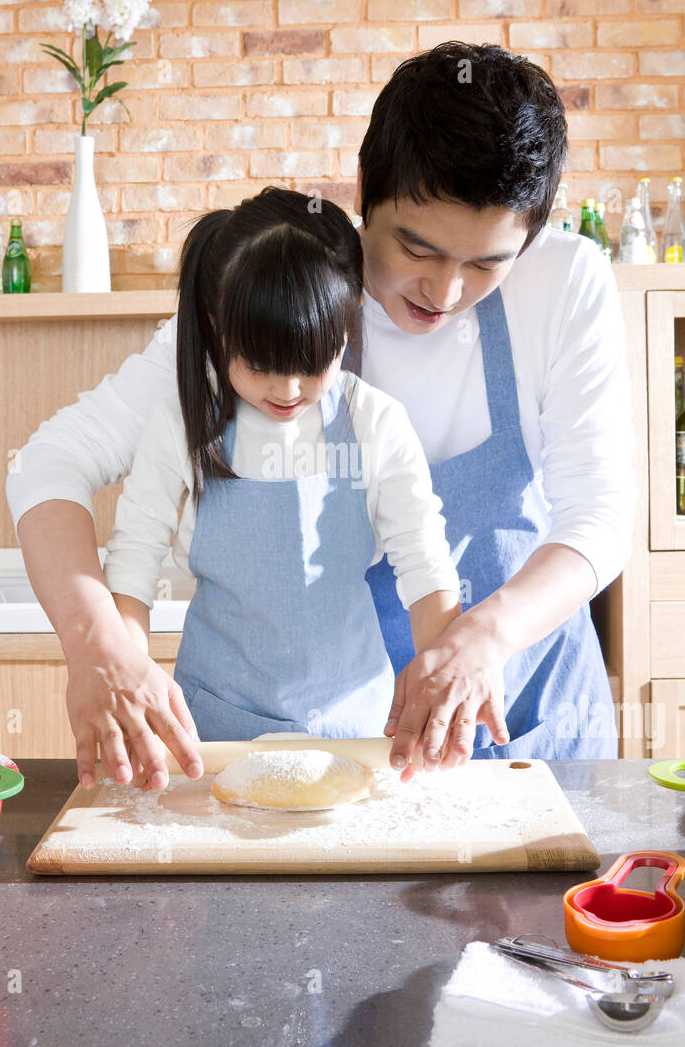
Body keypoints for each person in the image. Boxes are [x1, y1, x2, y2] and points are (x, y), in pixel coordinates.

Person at [6, 41, 632, 788]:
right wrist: (99, 643)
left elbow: (598, 515)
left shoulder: (565, 282)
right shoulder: (276, 300)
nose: (445, 290)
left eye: (486, 263)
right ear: (366, 186)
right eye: (415, 247)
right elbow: (50, 464)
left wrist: (484, 639)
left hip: (532, 710)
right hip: (351, 742)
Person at [98, 187, 463, 782]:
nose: (289, 390)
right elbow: (134, 559)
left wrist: (445, 670)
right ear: (219, 330)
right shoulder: (180, 423)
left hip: (356, 732)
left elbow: (423, 564)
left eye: (315, 365)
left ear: (347, 329)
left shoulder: (375, 423)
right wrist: (127, 674)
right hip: (213, 731)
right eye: (262, 366)